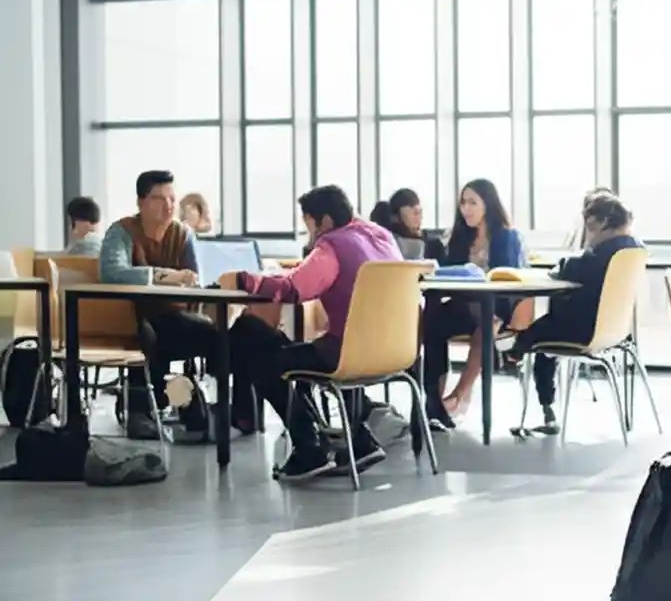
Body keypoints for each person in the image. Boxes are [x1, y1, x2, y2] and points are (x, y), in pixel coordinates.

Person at [226, 185, 404, 481]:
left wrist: (244, 280)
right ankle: (359, 441)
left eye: (308, 223)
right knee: (281, 342)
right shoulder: (381, 236)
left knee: (261, 356)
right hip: (391, 351)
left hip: (347, 352)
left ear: (323, 221)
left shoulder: (331, 245)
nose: (309, 231)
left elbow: (293, 289)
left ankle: (308, 447)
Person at [100, 171, 218, 440]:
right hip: (130, 318)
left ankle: (214, 408)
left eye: (171, 198)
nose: (168, 205)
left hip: (172, 315)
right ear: (141, 202)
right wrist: (164, 275)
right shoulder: (122, 231)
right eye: (158, 198)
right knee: (148, 335)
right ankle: (142, 412)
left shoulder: (183, 234)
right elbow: (112, 272)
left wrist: (187, 283)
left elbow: (194, 280)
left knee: (216, 334)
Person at [510, 193, 642, 434]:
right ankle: (517, 350)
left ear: (601, 223)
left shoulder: (603, 253)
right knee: (537, 333)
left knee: (532, 338)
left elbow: (571, 270)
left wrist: (564, 263)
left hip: (582, 329)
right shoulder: (634, 250)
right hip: (614, 331)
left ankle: (545, 406)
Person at [422, 179, 527, 428]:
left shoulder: (506, 237)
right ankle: (433, 400)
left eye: (472, 203)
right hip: (465, 306)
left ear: (487, 205)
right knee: (432, 320)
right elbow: (448, 275)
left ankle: (460, 395)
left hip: (498, 307)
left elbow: (508, 281)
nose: (466, 209)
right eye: (463, 202)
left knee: (486, 322)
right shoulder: (460, 238)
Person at [371, 187, 446, 261]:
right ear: (396, 217)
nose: (419, 218)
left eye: (420, 212)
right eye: (415, 213)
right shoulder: (388, 243)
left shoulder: (434, 245)